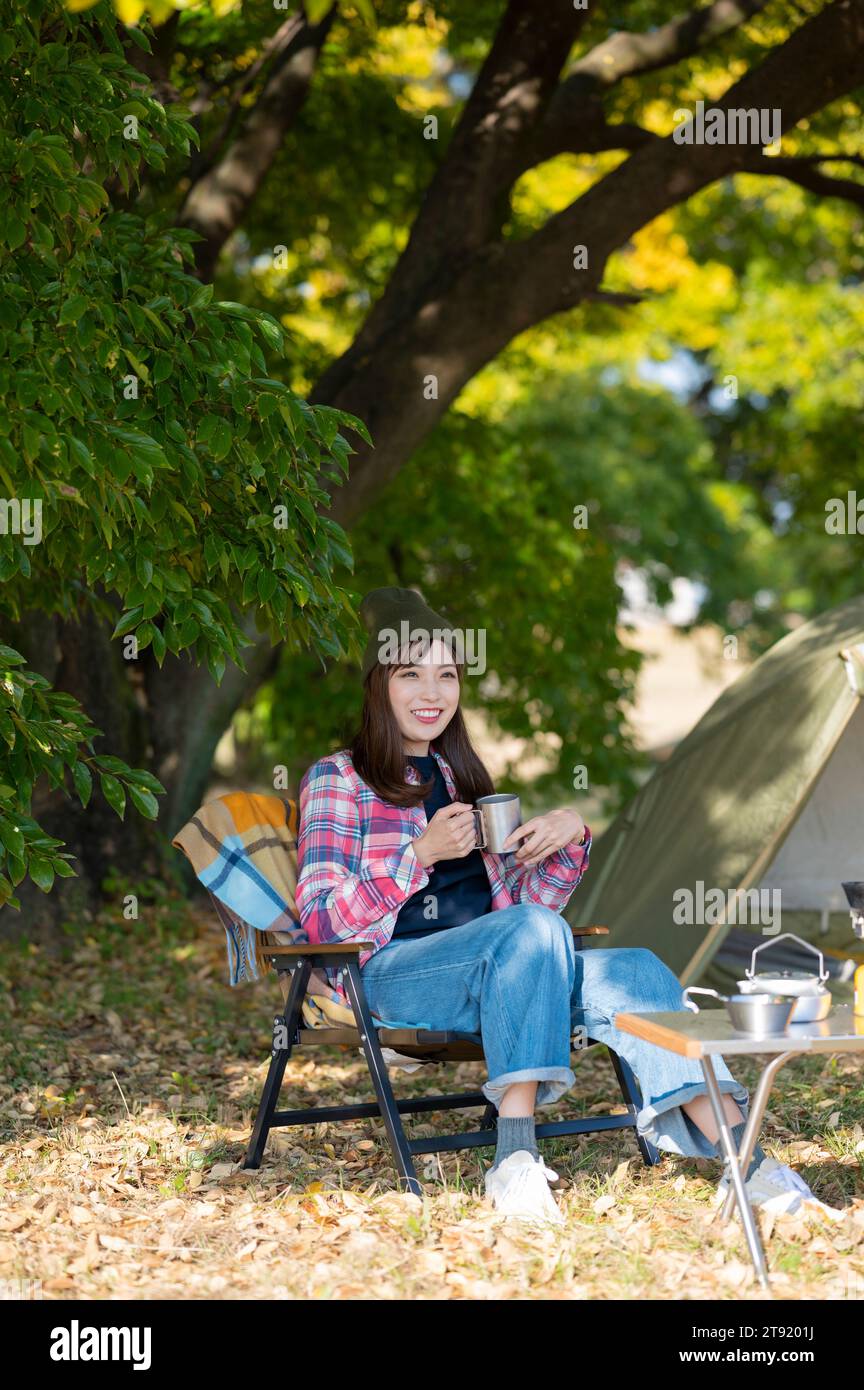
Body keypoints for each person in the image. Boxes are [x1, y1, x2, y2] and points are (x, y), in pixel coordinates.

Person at [295, 586, 816, 1225]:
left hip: (506, 973)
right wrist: (417, 857)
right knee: (532, 932)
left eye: (447, 675)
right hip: (392, 975)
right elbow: (319, 920)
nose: (432, 693)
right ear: (378, 685)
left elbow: (528, 914)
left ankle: (748, 1166)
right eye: (411, 674)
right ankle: (513, 1159)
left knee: (638, 969)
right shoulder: (337, 779)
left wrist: (567, 840)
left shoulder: (463, 779)